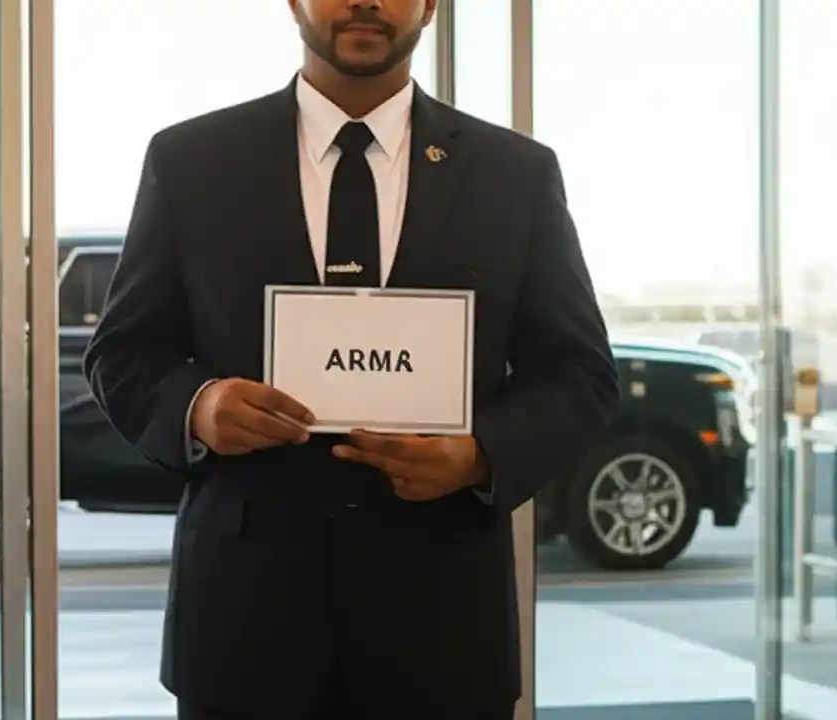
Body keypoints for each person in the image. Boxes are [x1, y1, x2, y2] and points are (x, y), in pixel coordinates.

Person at [83, 1, 620, 717]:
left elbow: (577, 371)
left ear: (429, 5)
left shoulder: (514, 174)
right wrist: (198, 407)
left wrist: (479, 455)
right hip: (245, 624)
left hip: (443, 624)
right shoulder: (191, 161)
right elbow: (124, 353)